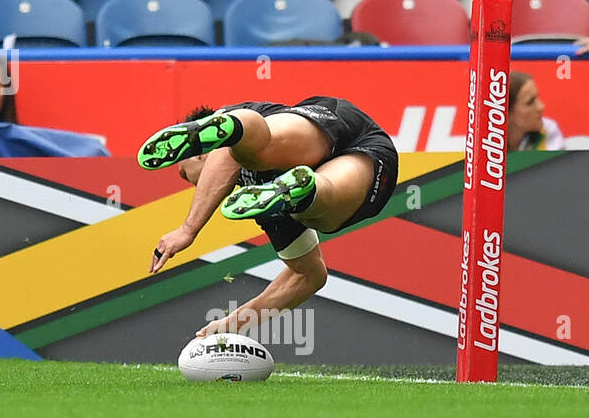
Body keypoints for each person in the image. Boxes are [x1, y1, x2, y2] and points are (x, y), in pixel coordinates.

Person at [139, 97, 398, 338]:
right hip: (333, 133)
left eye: (184, 174)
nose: (189, 182)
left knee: (255, 153)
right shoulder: (258, 199)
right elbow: (308, 275)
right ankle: (303, 190)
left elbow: (225, 157)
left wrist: (187, 229)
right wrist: (231, 325)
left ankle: (237, 131)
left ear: (196, 154)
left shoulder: (232, 153)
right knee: (314, 198)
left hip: (316, 124)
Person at [508, 71, 564, 151]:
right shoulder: (487, 144)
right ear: (506, 114)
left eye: (536, 98)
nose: (541, 107)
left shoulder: (548, 130)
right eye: (530, 102)